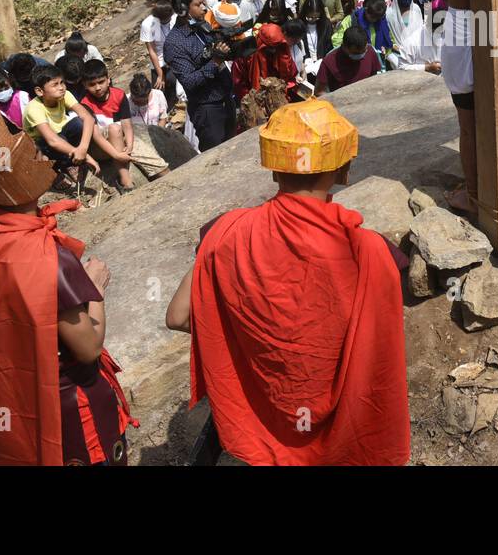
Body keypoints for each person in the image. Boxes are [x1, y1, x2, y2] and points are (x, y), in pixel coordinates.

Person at [164, 99, 407, 464]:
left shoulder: (224, 233)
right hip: (337, 439)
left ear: (274, 169)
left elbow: (178, 317)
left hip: (257, 431)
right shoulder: (370, 253)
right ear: (344, 170)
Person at [0, 93, 135, 464]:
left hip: (21, 395)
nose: (44, 156)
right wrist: (94, 287)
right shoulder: (48, 260)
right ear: (16, 176)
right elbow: (88, 346)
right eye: (33, 154)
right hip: (71, 402)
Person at [164, 0, 238, 151]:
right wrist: (216, 61)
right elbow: (189, 81)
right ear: (183, 10)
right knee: (216, 157)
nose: (205, 7)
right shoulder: (175, 43)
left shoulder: (203, 26)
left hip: (227, 99)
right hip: (207, 110)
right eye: (199, 4)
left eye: (204, 2)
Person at [80, 59, 170, 189]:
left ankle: (166, 175)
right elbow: (96, 137)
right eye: (92, 84)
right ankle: (126, 182)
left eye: (101, 82)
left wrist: (130, 145)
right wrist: (117, 155)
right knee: (114, 128)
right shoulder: (85, 103)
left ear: (108, 79)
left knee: (156, 164)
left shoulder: (119, 94)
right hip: (100, 146)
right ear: (85, 85)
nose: (98, 87)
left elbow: (127, 125)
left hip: (119, 137)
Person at [23, 65, 101, 182]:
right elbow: (52, 140)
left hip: (62, 135)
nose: (61, 88)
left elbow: (88, 118)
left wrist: (83, 149)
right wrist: (82, 154)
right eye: (55, 85)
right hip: (44, 143)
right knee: (57, 140)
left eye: (62, 82)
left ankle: (75, 158)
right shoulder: (33, 108)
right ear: (39, 91)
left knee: (78, 124)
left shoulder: (65, 95)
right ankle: (64, 166)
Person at [235, 23, 298, 107]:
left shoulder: (283, 53)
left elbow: (290, 76)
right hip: (255, 104)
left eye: (276, 47)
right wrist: (252, 101)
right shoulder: (246, 57)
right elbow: (239, 83)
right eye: (270, 47)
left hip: (279, 100)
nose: (273, 50)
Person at [385, 0, 441, 72]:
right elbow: (388, 36)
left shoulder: (416, 9)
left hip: (419, 48)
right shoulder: (389, 14)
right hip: (398, 52)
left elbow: (421, 29)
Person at [316, 25, 382, 93]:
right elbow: (320, 91)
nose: (360, 55)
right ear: (344, 46)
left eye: (363, 51)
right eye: (355, 53)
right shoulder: (329, 62)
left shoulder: (370, 52)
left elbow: (374, 78)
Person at [140, 0, 178, 108]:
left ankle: (174, 111)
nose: (166, 21)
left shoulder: (175, 18)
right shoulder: (148, 24)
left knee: (173, 86)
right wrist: (160, 74)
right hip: (158, 61)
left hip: (175, 58)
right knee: (158, 92)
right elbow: (152, 50)